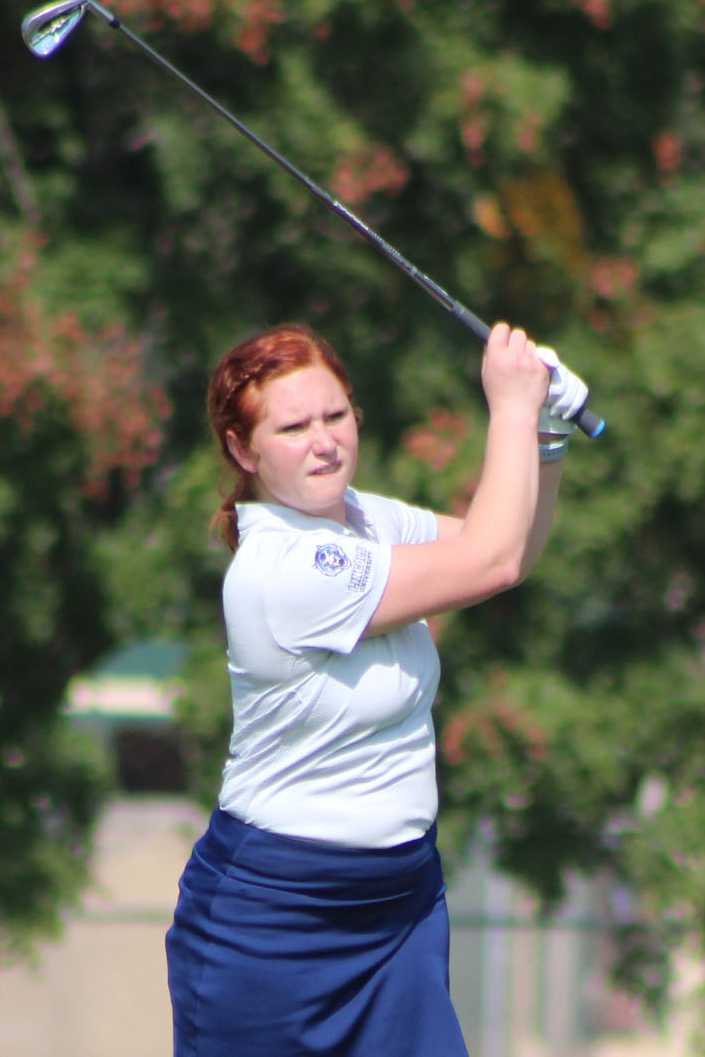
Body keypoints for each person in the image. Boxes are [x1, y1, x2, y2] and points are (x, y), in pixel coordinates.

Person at [165, 318, 588, 1056]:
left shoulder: (368, 520)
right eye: (293, 426)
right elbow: (484, 561)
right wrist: (511, 409)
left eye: (335, 415)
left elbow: (511, 552)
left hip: (399, 908)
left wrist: (545, 438)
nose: (324, 440)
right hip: (276, 925)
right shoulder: (279, 570)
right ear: (242, 449)